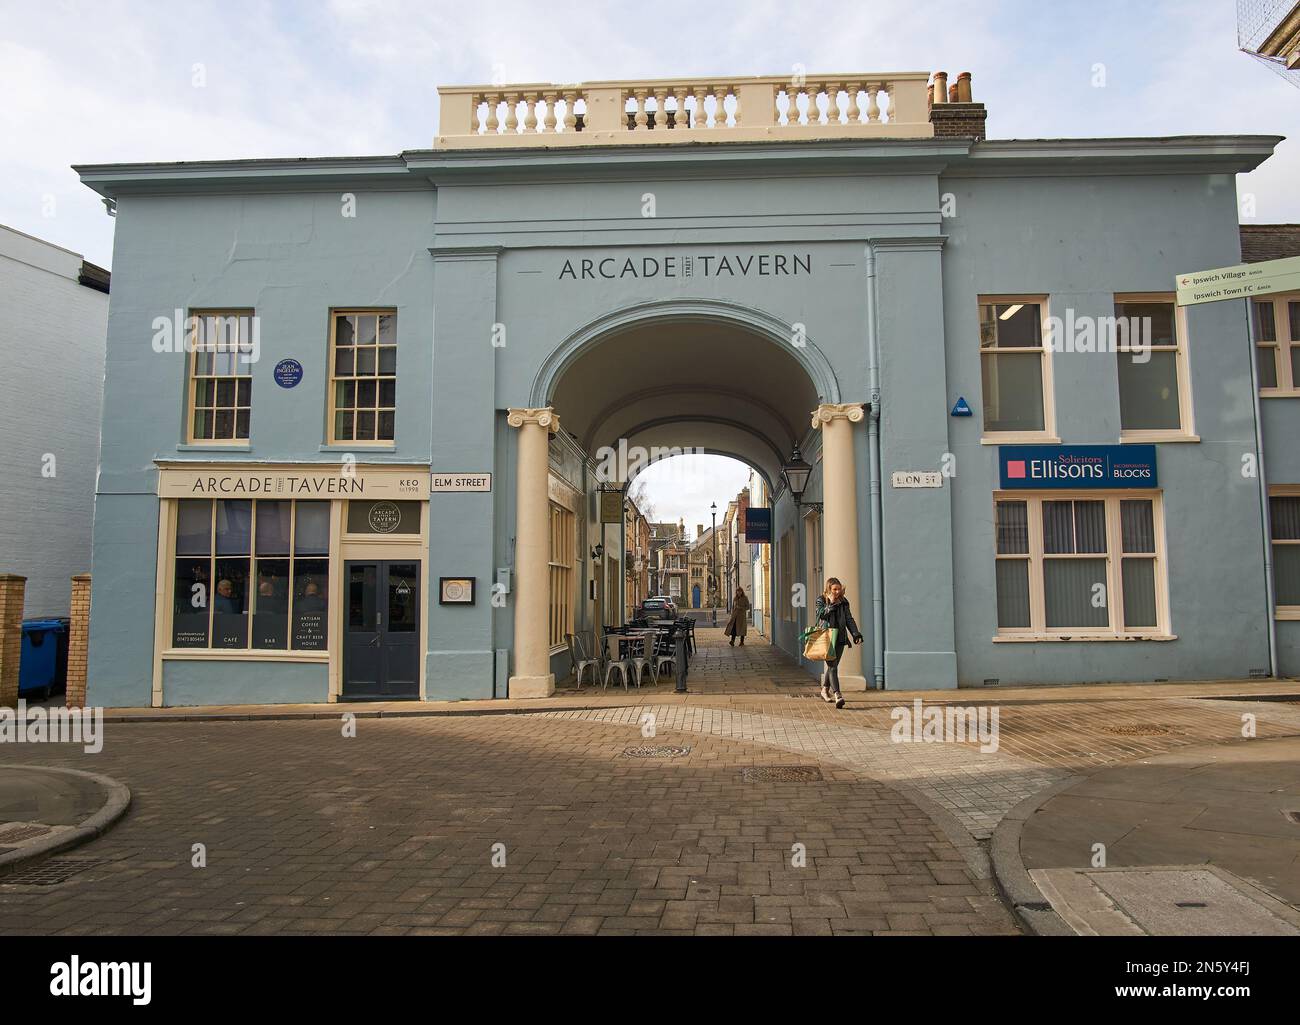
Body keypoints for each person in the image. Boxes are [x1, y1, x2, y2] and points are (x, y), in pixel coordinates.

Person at [814, 577, 863, 709]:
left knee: (832, 666)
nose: (837, 592)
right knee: (833, 666)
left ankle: (824, 689)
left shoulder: (844, 602)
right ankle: (838, 695)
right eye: (834, 589)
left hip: (840, 638)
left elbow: (849, 618)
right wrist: (830, 603)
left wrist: (855, 634)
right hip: (827, 638)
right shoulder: (821, 600)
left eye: (839, 589)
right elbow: (820, 615)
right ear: (828, 589)